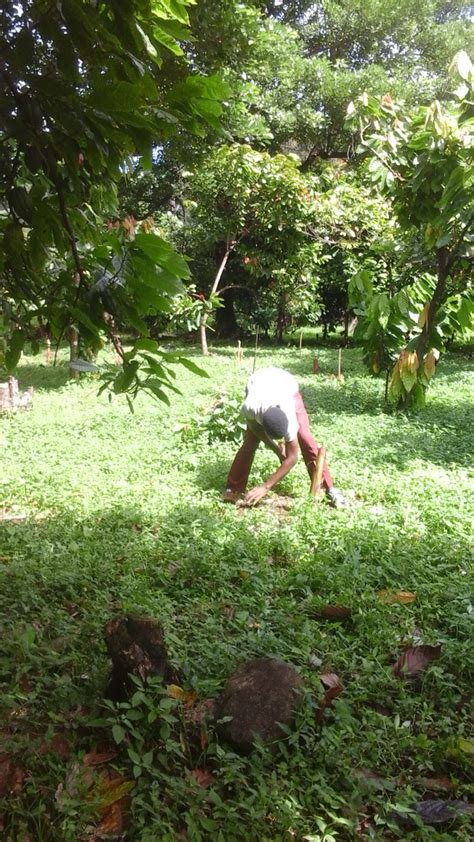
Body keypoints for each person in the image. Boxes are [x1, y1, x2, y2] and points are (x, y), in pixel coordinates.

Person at [223, 367, 347, 507]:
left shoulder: (288, 413)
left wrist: (265, 487)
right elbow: (255, 429)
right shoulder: (250, 407)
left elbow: (293, 458)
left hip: (286, 384)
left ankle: (329, 488)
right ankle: (233, 488)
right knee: (251, 441)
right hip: (258, 381)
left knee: (305, 437)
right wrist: (277, 450)